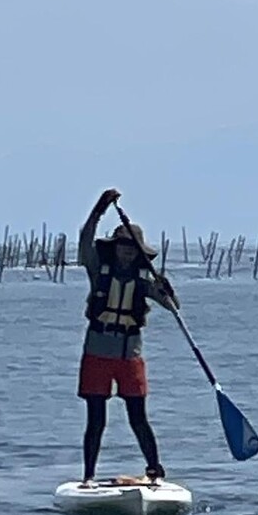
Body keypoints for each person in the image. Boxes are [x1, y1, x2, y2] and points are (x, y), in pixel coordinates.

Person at [76, 187, 180, 487]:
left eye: (131, 248)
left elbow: (174, 308)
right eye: (123, 246)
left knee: (139, 417)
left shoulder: (144, 280)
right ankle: (89, 477)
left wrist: (166, 288)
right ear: (115, 247)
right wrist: (99, 208)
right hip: (97, 352)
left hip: (130, 356)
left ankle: (154, 471)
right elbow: (85, 238)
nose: (126, 252)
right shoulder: (99, 270)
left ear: (138, 252)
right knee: (96, 420)